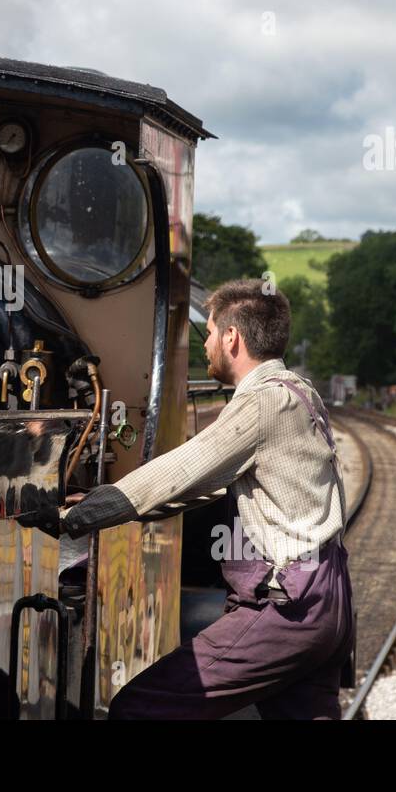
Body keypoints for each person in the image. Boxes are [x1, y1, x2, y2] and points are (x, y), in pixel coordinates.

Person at [51, 278, 354, 719]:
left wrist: (78, 516)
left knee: (140, 708)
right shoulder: (300, 392)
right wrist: (98, 500)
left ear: (232, 337)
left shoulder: (261, 403)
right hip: (329, 601)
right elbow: (203, 486)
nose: (206, 343)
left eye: (210, 332)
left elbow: (181, 470)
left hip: (289, 605)